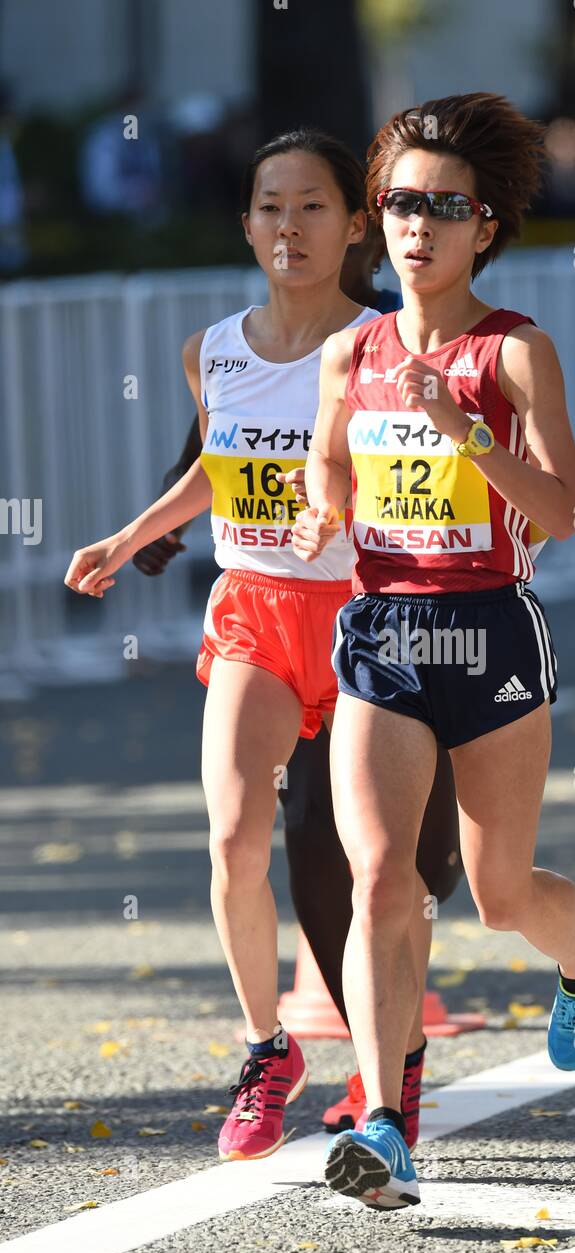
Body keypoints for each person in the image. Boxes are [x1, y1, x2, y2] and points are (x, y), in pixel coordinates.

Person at [63, 129, 445, 1161]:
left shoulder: (382, 343)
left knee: (370, 872)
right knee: (233, 837)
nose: (291, 226)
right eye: (271, 207)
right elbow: (220, 465)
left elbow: (421, 476)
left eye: (313, 206)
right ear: (246, 225)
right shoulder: (213, 348)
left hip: (368, 622)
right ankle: (267, 1048)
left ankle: (395, 1065)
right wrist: (134, 532)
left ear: (355, 224)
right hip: (255, 613)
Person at [293, 92, 575, 1210]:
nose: (416, 225)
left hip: (489, 632)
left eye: (444, 206)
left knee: (491, 890)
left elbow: (565, 510)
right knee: (381, 874)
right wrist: (315, 514)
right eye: (398, 204)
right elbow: (329, 474)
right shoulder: (351, 352)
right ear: (374, 219)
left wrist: (464, 429)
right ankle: (384, 1122)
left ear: (485, 226)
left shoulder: (514, 351)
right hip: (382, 631)